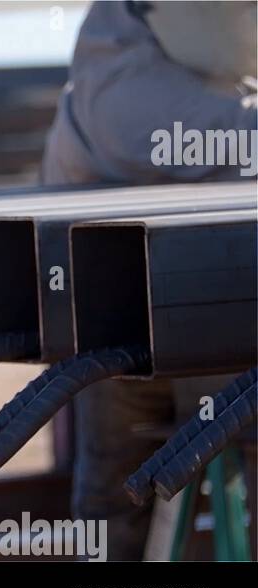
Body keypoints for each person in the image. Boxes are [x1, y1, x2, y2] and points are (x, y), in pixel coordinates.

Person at [41, 0, 257, 559]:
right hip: (145, 319)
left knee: (121, 501)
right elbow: (217, 136)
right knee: (121, 503)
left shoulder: (186, 52)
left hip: (171, 311)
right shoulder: (122, 83)